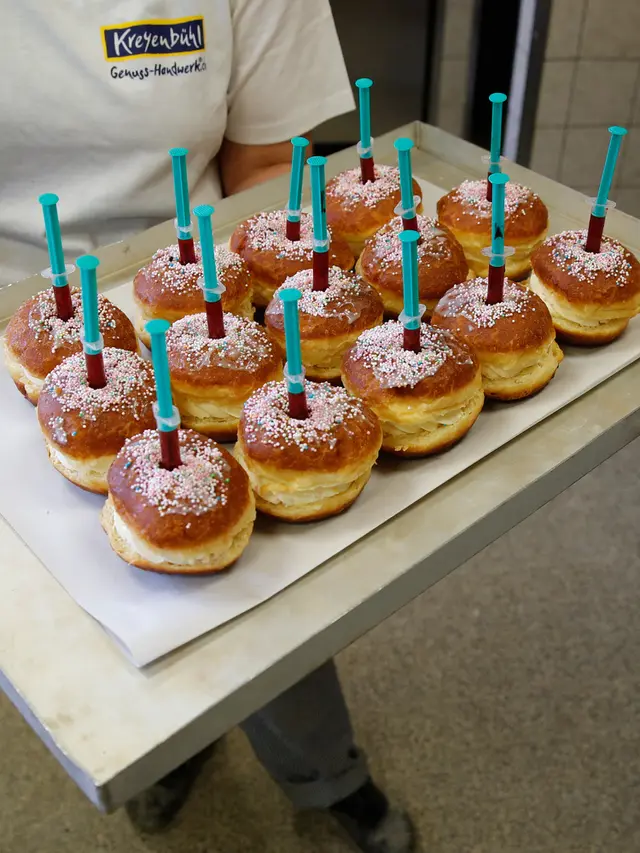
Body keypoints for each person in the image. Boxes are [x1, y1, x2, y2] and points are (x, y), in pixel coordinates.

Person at [0, 3, 414, 851]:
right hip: (24, 326)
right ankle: (168, 751)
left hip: (204, 296)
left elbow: (266, 162)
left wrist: (287, 290)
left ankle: (324, 771)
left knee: (249, 579)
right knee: (97, 612)